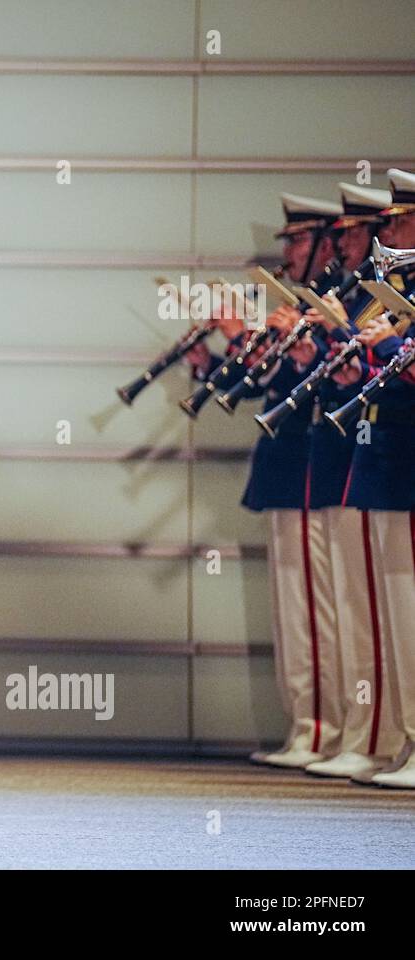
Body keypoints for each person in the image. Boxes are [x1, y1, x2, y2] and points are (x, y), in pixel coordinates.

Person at [243, 194, 343, 768]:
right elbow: (271, 383)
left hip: (328, 465)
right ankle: (310, 724)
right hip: (294, 467)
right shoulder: (309, 300)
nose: (290, 253)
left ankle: (332, 727)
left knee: (330, 610)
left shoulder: (346, 300)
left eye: (300, 241)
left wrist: (317, 345)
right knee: (300, 608)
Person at [333, 168, 415, 787]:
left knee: (402, 615)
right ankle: (385, 738)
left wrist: (385, 348)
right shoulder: (389, 290)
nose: (390, 232)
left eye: (398, 221)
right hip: (381, 459)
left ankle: (396, 738)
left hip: (401, 460)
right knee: (381, 615)